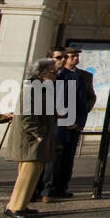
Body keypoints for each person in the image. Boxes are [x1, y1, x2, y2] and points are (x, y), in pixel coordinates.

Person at [39, 47, 96, 202]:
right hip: (44, 124)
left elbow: (82, 102)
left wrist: (77, 122)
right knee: (47, 158)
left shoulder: (73, 77)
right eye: (60, 57)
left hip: (65, 124)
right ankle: (41, 189)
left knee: (62, 157)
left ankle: (53, 189)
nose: (64, 60)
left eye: (65, 57)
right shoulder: (39, 77)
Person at [4, 59, 58, 218]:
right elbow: (27, 115)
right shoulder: (32, 88)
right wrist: (39, 133)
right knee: (28, 174)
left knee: (32, 173)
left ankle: (18, 205)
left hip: (35, 138)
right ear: (41, 73)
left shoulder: (39, 88)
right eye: (52, 72)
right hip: (31, 140)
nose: (55, 74)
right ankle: (16, 207)